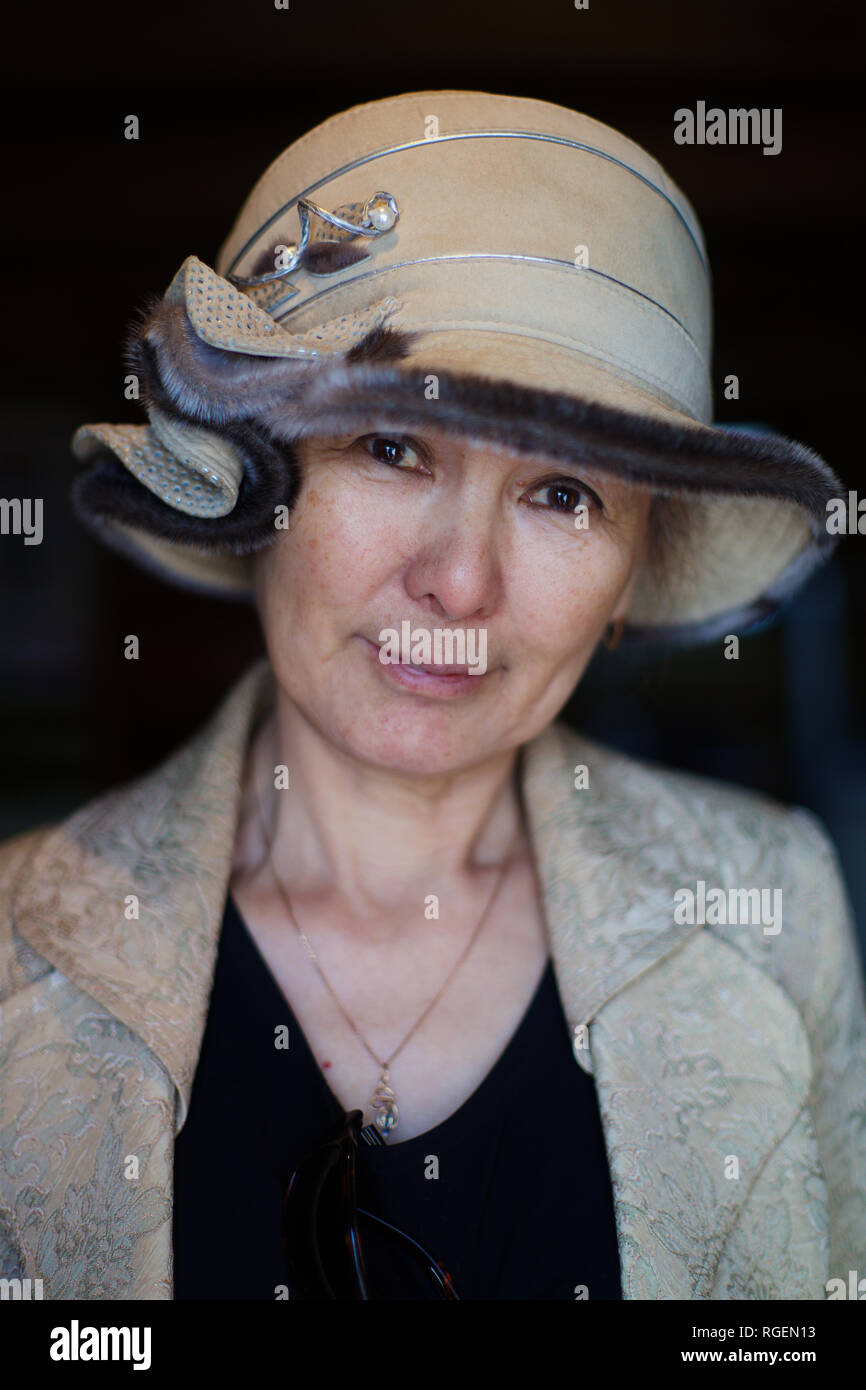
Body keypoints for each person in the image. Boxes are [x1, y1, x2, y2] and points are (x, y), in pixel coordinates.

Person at [1, 90, 864, 1302]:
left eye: (562, 494)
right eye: (392, 448)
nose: (458, 581)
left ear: (630, 576)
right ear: (256, 494)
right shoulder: (18, 938)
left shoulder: (774, 909)